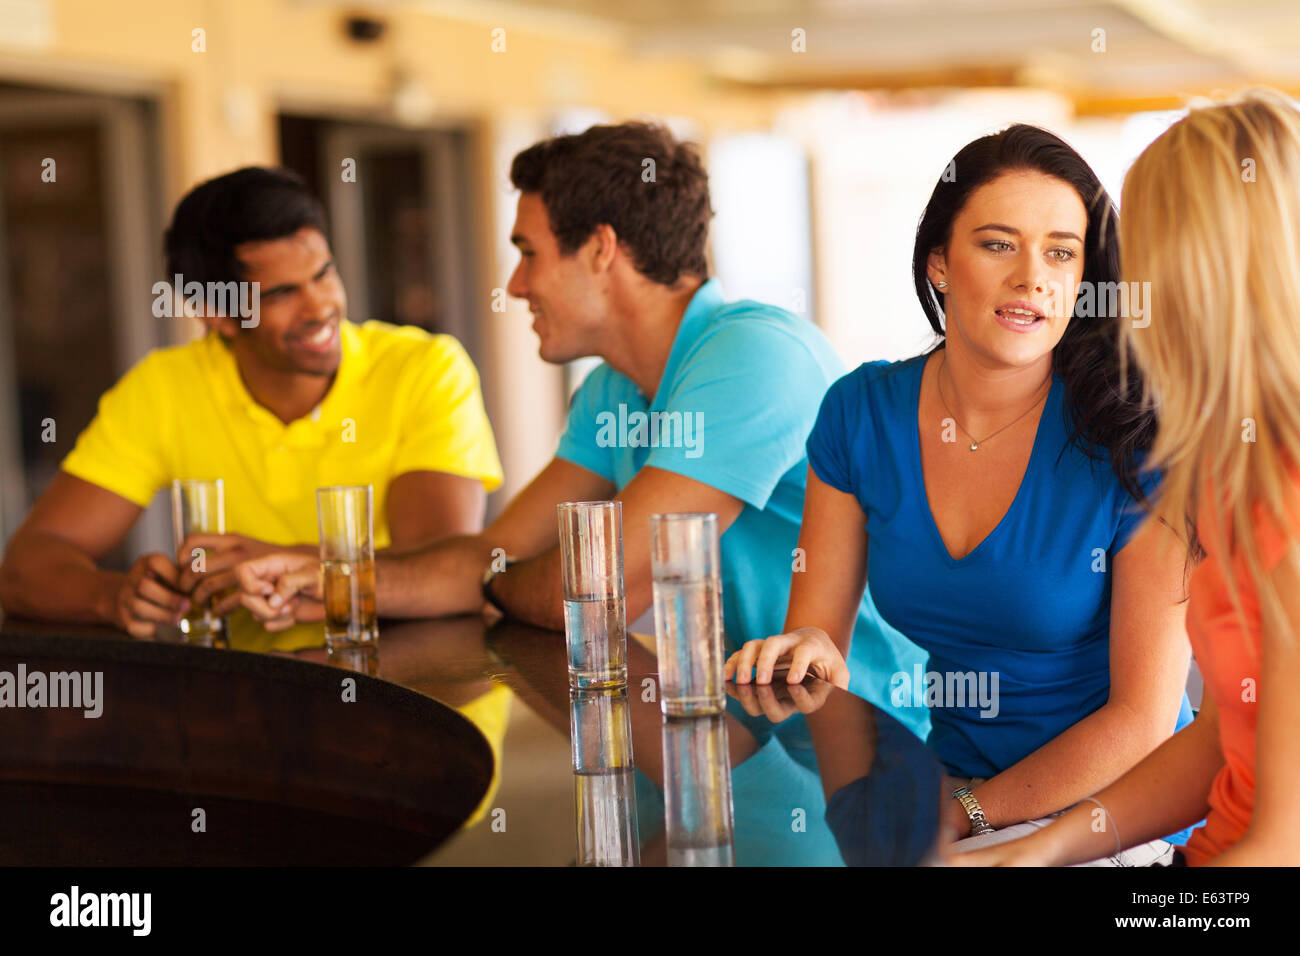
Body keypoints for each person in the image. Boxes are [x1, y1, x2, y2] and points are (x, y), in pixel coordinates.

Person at [234, 121, 930, 864]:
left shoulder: (757, 354)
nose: (516, 284)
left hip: (857, 766)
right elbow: (493, 552)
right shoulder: (611, 389)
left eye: (528, 253)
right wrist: (335, 580)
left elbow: (598, 587)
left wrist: (491, 583)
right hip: (741, 737)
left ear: (601, 249)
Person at [725, 124, 1196, 863]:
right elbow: (820, 632)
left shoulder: (1136, 437)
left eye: (1061, 253)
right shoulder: (861, 413)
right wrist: (803, 650)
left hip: (1120, 814)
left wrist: (969, 816)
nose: (1033, 277)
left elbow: (1143, 721)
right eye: (999, 244)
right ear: (940, 263)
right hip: (952, 787)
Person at [951, 89, 1300, 866]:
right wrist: (1032, 849)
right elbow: (1221, 738)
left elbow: (1282, 845)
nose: (1128, 295)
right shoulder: (1226, 468)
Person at [0, 167, 503, 653]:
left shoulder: (426, 369)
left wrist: (287, 563)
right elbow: (25, 567)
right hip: (238, 687)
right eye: (281, 293)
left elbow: (443, 567)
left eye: (323, 273)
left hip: (400, 683)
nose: (320, 307)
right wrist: (114, 597)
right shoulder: (163, 388)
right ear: (215, 314)